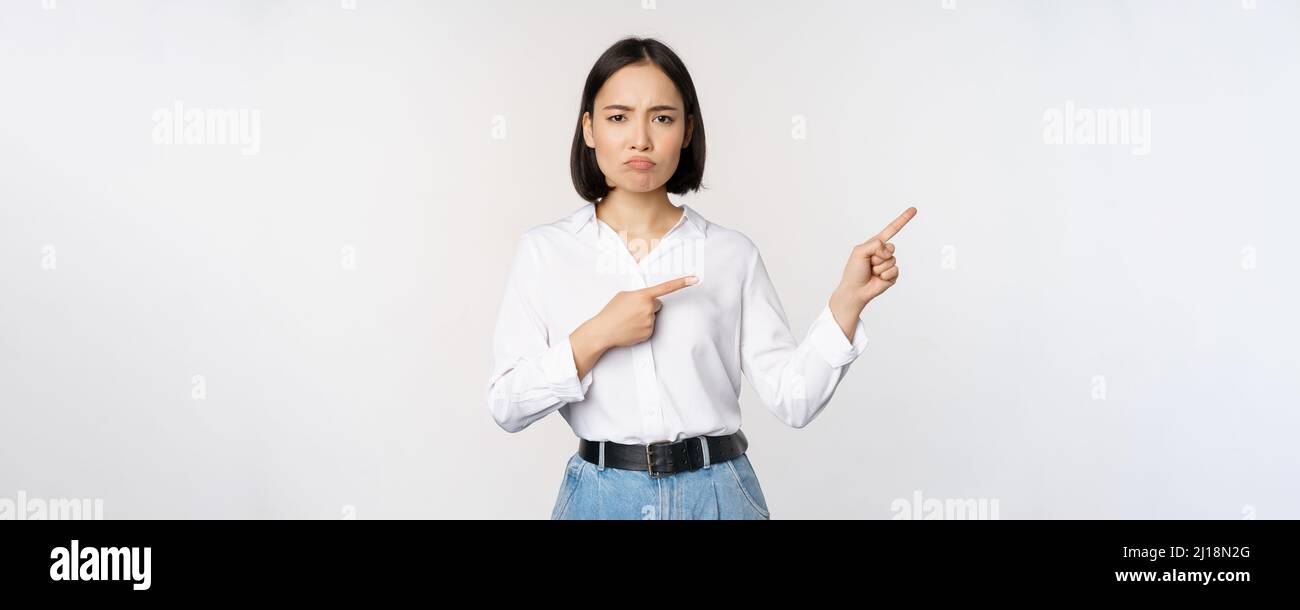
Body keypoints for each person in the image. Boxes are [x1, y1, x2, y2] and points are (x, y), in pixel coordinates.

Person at [486, 36, 915, 519]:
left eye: (662, 118)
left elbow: (794, 401)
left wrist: (845, 305)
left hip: (720, 496)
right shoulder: (546, 252)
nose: (641, 138)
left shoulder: (730, 254)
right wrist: (596, 336)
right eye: (618, 117)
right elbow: (507, 405)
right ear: (588, 129)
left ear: (687, 131)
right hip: (601, 500)